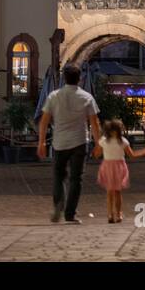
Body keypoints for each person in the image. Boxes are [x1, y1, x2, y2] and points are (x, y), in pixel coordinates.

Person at [36, 65, 101, 223]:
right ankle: (70, 214)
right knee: (76, 179)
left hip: (59, 142)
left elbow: (44, 121)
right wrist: (99, 144)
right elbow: (94, 122)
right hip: (80, 142)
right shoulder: (86, 97)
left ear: (64, 78)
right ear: (80, 79)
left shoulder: (54, 96)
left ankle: (58, 204)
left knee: (59, 177)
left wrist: (41, 142)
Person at [91, 118, 145, 223]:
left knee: (110, 192)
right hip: (119, 166)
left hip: (107, 166)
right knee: (117, 192)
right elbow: (132, 155)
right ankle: (118, 213)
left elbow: (97, 155)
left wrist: (95, 148)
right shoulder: (123, 141)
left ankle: (111, 214)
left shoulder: (103, 140)